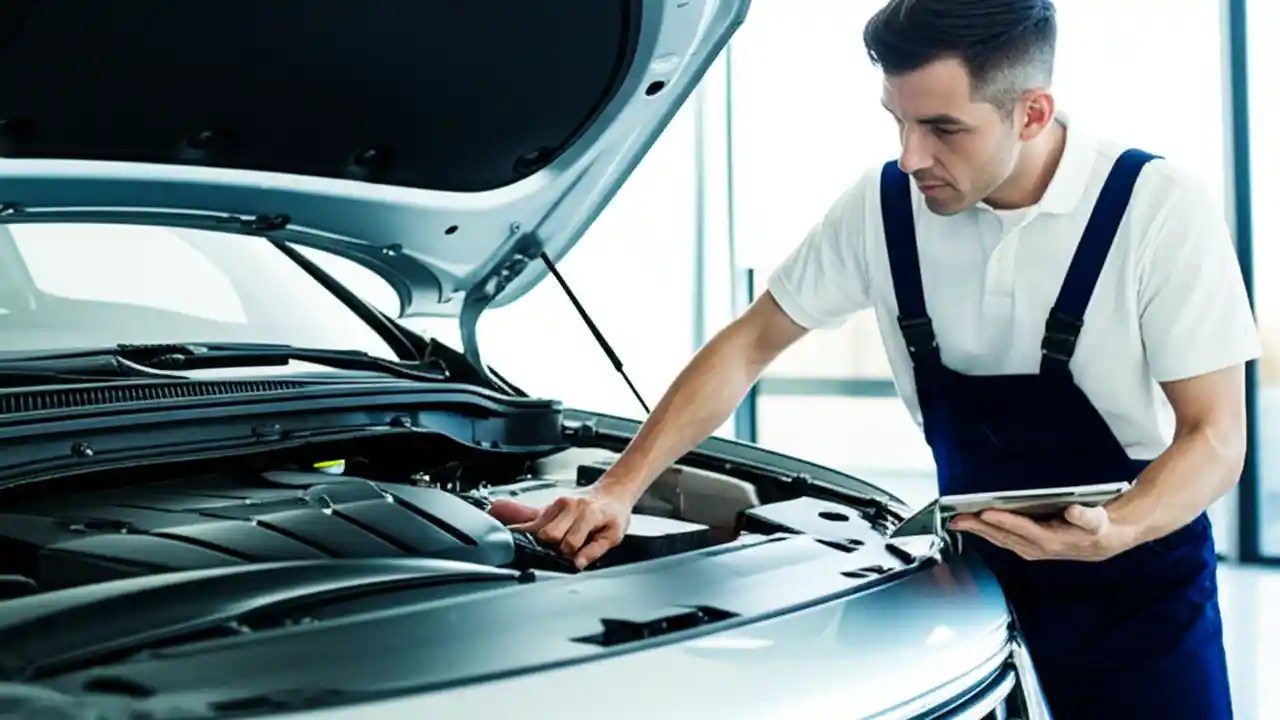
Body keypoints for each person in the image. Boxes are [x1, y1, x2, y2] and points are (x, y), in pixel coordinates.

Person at [490, 1, 1258, 717]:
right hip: (972, 581)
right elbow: (748, 343)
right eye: (897, 121)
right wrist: (620, 490)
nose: (910, 155)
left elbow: (1216, 438)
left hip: (1137, 584)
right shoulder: (884, 207)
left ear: (1032, 113)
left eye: (943, 129)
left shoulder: (1158, 210)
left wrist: (1116, 528)